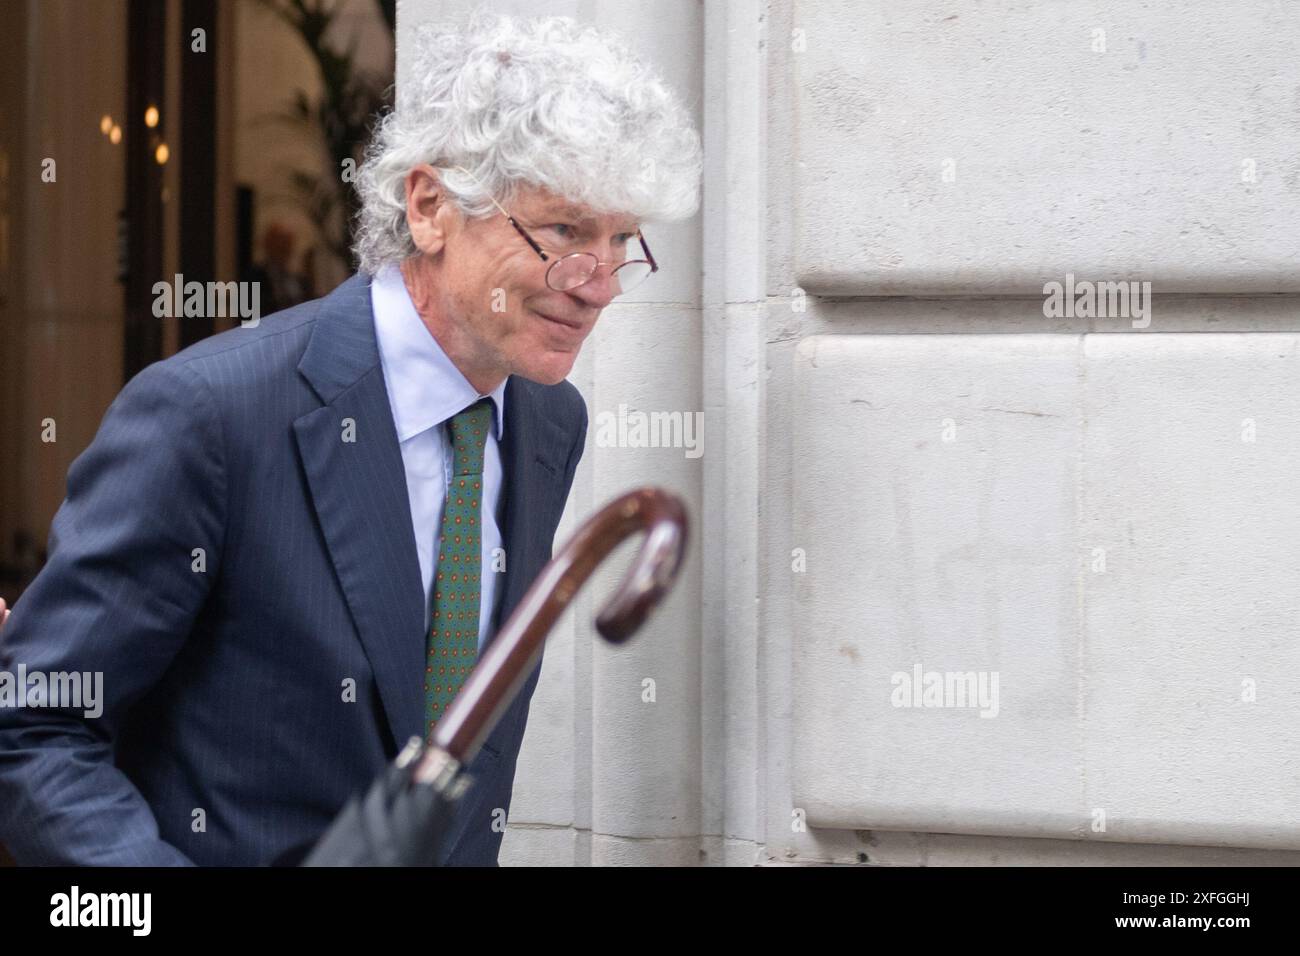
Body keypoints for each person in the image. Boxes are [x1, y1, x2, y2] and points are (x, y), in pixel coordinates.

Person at [0, 11, 701, 866]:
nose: (598, 286)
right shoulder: (209, 413)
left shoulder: (550, 420)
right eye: (562, 233)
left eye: (620, 241)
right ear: (431, 205)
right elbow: (33, 726)